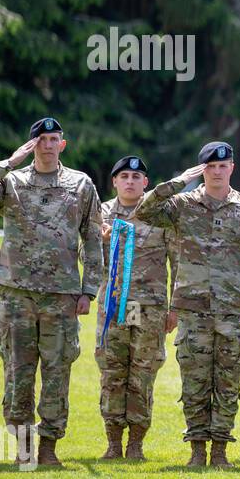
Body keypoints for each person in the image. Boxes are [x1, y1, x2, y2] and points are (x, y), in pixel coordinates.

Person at [0, 117, 104, 467]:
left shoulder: (80, 184)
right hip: (17, 295)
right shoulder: (12, 182)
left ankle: (49, 449)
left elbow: (93, 237)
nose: (48, 145)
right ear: (31, 146)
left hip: (61, 295)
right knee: (17, 373)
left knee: (57, 372)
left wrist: (89, 289)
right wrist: (7, 163)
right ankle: (23, 450)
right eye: (41, 140)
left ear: (63, 144)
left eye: (54, 139)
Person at [134, 141, 240, 467]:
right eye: (210, 166)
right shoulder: (182, 205)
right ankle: (197, 449)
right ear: (202, 170)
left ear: (232, 168)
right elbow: (145, 210)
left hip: (233, 310)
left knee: (227, 382)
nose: (217, 171)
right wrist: (181, 181)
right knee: (194, 381)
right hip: (193, 309)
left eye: (223, 166)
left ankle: (221, 450)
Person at [96, 155, 176, 461]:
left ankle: (136, 444)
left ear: (146, 183)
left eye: (136, 176)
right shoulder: (101, 214)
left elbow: (176, 260)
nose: (130, 181)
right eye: (124, 176)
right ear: (114, 181)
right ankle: (114, 442)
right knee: (112, 372)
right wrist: (99, 240)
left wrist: (174, 307)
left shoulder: (159, 215)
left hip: (150, 306)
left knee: (143, 373)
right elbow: (86, 256)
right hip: (113, 307)